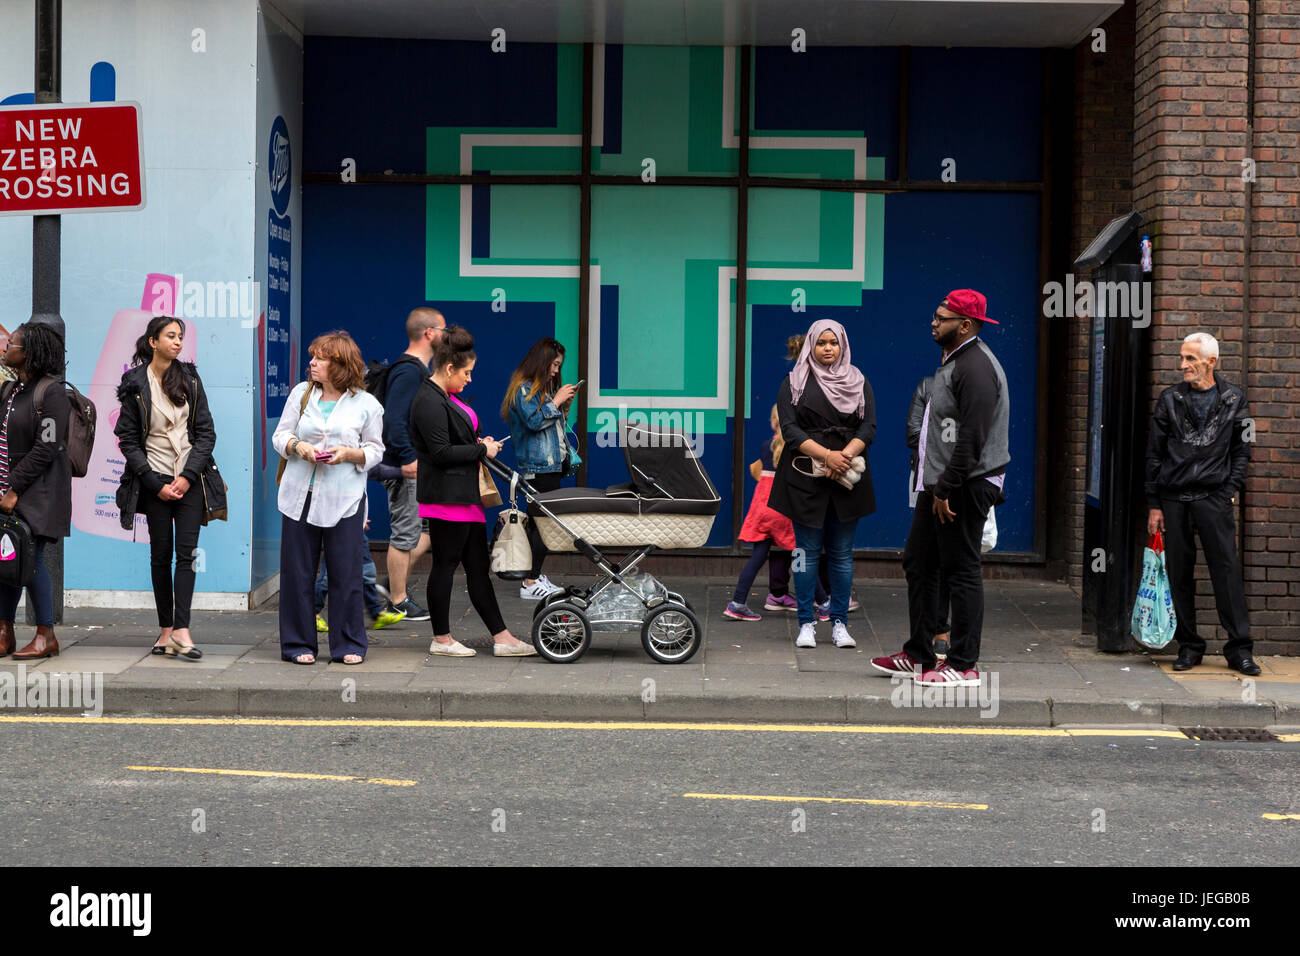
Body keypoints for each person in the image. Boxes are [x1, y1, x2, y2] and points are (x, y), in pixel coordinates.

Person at [873, 290, 1008, 687]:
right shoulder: (956, 360)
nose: (933, 323)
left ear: (965, 325)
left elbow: (973, 437)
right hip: (942, 483)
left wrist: (946, 488)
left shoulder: (977, 367)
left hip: (965, 484)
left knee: (961, 570)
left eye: (941, 317)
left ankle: (964, 664)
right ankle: (919, 654)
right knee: (919, 560)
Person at [411, 326, 536, 657]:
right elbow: (439, 453)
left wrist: (480, 444)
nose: (469, 379)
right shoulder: (427, 401)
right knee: (445, 566)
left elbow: (457, 443)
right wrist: (482, 451)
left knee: (478, 569)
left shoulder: (445, 397)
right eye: (466, 372)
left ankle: (503, 637)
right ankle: (441, 639)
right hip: (446, 498)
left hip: (465, 496)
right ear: (449, 368)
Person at [1146, 332, 1257, 675]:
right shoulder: (1169, 399)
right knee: (1178, 574)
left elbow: (1244, 449)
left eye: (1191, 359)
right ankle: (1189, 646)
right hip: (1173, 499)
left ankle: (1239, 650)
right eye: (1182, 358)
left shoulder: (1235, 399)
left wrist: (1229, 489)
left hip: (1214, 498)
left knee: (1226, 572)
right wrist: (1154, 504)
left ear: (1211, 361)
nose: (1184, 365)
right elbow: (1154, 454)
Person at [273, 331, 384, 665]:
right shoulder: (300, 394)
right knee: (297, 574)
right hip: (298, 496)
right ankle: (297, 644)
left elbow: (376, 450)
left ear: (340, 364)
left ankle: (349, 644)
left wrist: (348, 454)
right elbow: (281, 435)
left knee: (346, 574)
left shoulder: (367, 404)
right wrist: (298, 447)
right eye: (313, 356)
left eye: (320, 358)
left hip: (344, 499)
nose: (312, 362)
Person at [768, 319, 876, 649]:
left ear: (843, 345)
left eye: (834, 342)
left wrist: (842, 457)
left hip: (847, 478)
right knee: (805, 553)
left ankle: (840, 623)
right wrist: (828, 456)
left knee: (842, 554)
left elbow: (868, 427)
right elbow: (790, 429)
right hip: (806, 478)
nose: (828, 348)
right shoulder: (794, 382)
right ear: (810, 346)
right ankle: (806, 624)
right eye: (821, 343)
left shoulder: (858, 381)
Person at [114, 316, 217, 662]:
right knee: (160, 555)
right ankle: (165, 631)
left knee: (185, 555)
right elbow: (127, 440)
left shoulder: (189, 377)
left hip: (189, 479)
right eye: (171, 336)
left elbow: (206, 434)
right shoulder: (134, 383)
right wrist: (154, 483)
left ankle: (182, 631)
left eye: (181, 337)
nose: (178, 342)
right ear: (153, 341)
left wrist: (187, 477)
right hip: (154, 480)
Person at [0, 323, 72, 660]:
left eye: (12, 343)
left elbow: (46, 448)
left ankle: (46, 635)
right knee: (6, 558)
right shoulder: (11, 390)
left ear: (28, 353)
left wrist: (13, 488)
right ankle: (4, 631)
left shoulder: (51, 393)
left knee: (30, 560)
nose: (6, 347)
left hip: (38, 492)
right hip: (7, 490)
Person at [725, 404, 828, 620]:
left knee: (758, 556)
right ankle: (824, 603)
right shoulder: (798, 448)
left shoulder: (765, 446)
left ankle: (737, 602)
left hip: (762, 509)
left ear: (773, 422)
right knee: (801, 555)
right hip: (785, 511)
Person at [379, 307, 445, 622]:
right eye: (443, 329)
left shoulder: (416, 370)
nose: (446, 335)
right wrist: (409, 460)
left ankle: (393, 584)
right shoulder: (408, 371)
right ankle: (397, 600)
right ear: (429, 333)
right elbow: (393, 421)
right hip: (407, 467)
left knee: (428, 532)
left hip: (416, 466)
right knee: (406, 533)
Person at [502, 337, 578, 600]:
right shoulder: (524, 390)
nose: (556, 371)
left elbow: (548, 428)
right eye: (554, 365)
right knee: (542, 525)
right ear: (541, 363)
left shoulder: (540, 392)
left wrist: (562, 408)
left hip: (549, 467)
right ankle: (529, 581)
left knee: (541, 524)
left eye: (559, 365)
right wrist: (556, 402)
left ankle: (532, 577)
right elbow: (534, 422)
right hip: (538, 468)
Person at [907, 374, 951, 658]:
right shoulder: (926, 386)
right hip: (926, 479)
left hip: (954, 482)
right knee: (921, 559)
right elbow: (913, 432)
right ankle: (925, 637)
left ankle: (941, 630)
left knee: (949, 560)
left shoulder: (973, 385)